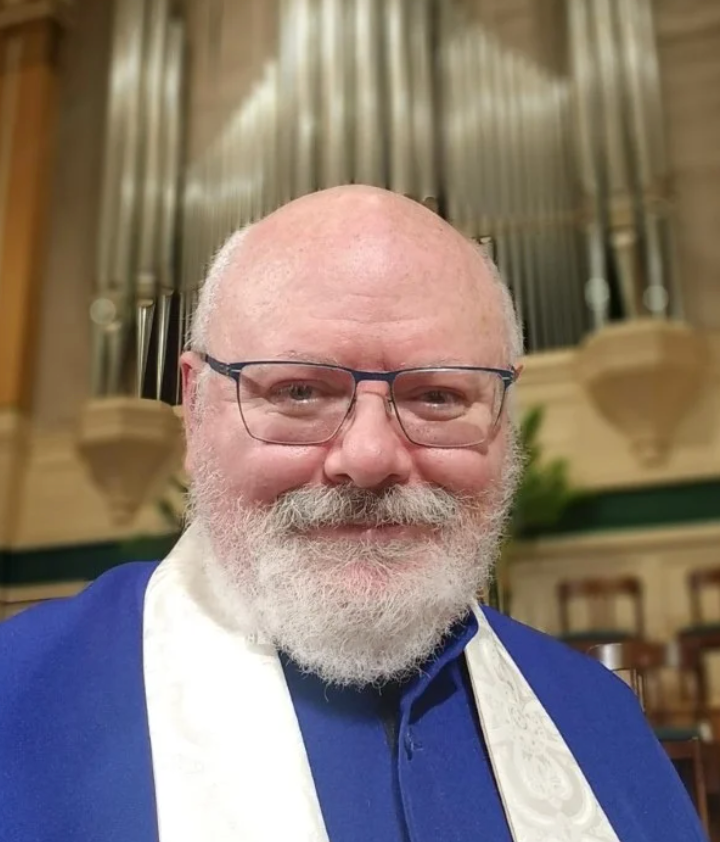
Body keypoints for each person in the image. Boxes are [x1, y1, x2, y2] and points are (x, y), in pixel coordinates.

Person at [0, 186, 707, 842]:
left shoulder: (600, 722)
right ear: (195, 405)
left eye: (437, 396)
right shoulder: (19, 704)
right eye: (301, 390)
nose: (369, 458)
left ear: (502, 417)